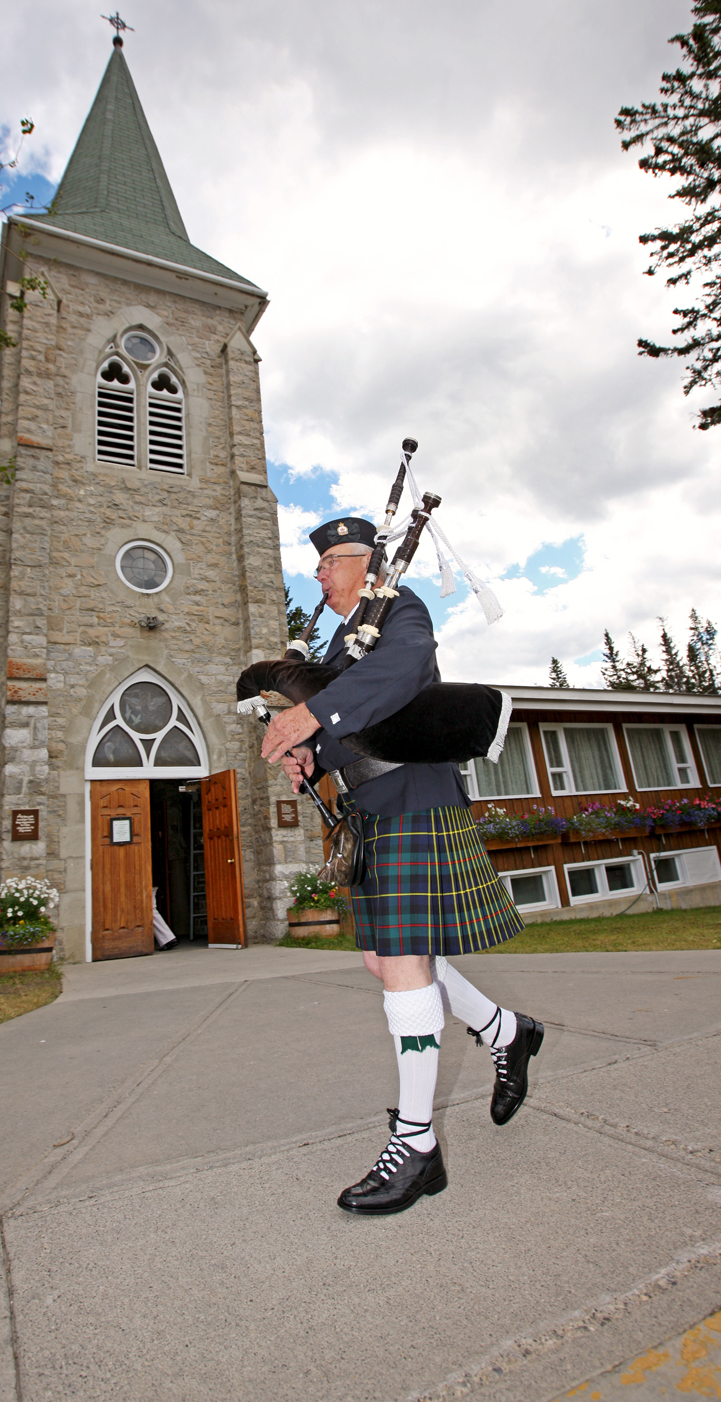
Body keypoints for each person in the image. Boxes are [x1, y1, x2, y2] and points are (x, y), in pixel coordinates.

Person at [261, 515, 544, 1216]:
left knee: (406, 962)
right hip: (372, 806)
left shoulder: (398, 611)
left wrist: (313, 716)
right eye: (319, 565)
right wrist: (311, 754)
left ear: (363, 562)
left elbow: (400, 674)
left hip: (415, 794)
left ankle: (417, 1146)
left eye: (329, 563)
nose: (319, 575)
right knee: (385, 963)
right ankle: (508, 1032)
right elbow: (351, 726)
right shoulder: (336, 640)